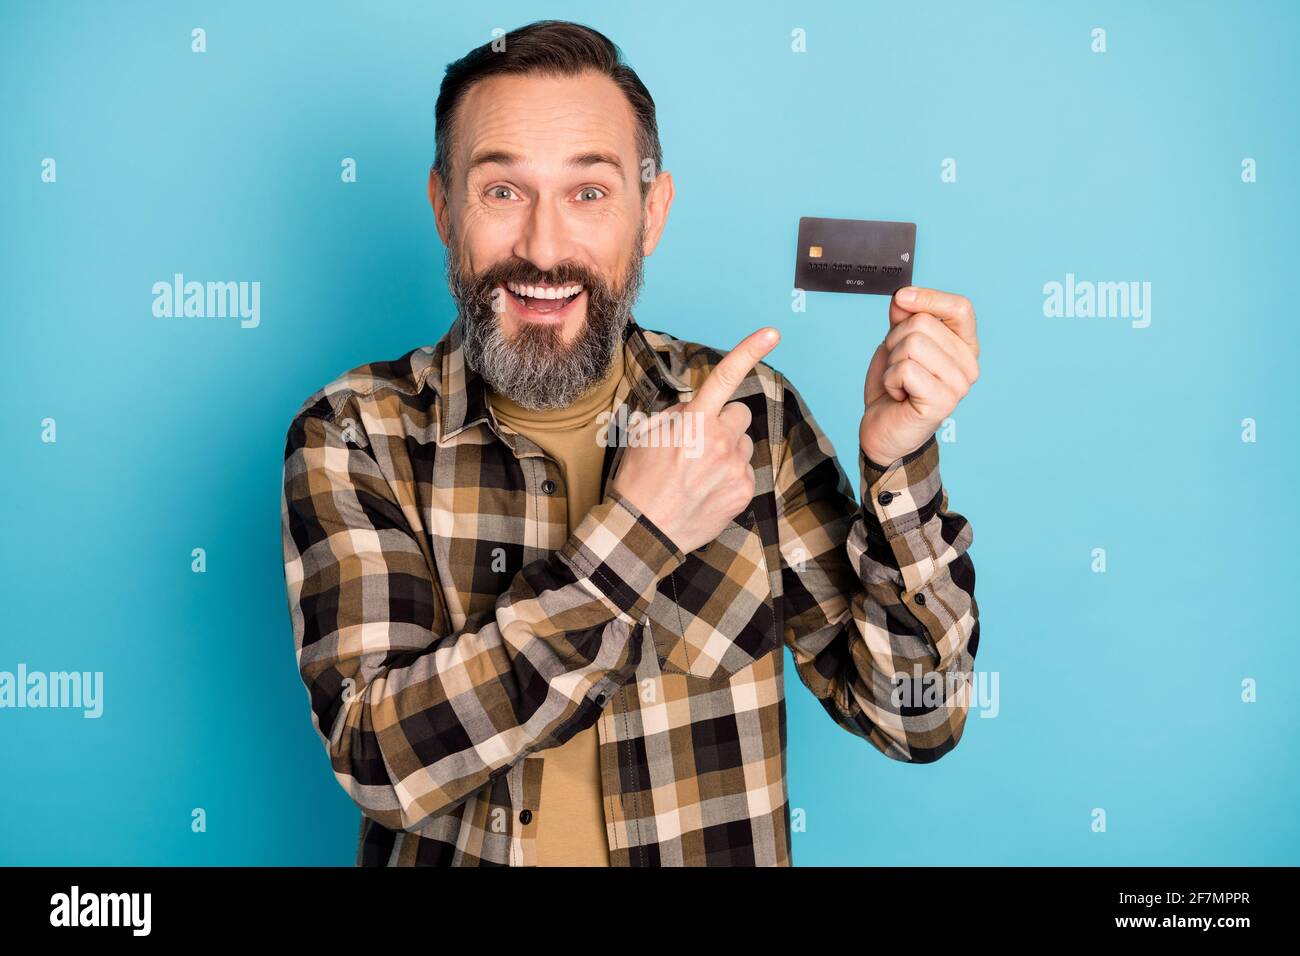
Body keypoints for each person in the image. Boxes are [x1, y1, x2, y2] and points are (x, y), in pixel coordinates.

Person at [280, 19, 981, 867]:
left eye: (590, 193)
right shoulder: (355, 432)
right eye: (503, 192)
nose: (543, 247)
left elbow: (917, 718)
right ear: (443, 207)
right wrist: (637, 534)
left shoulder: (750, 416)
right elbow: (381, 762)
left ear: (651, 214)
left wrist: (899, 462)